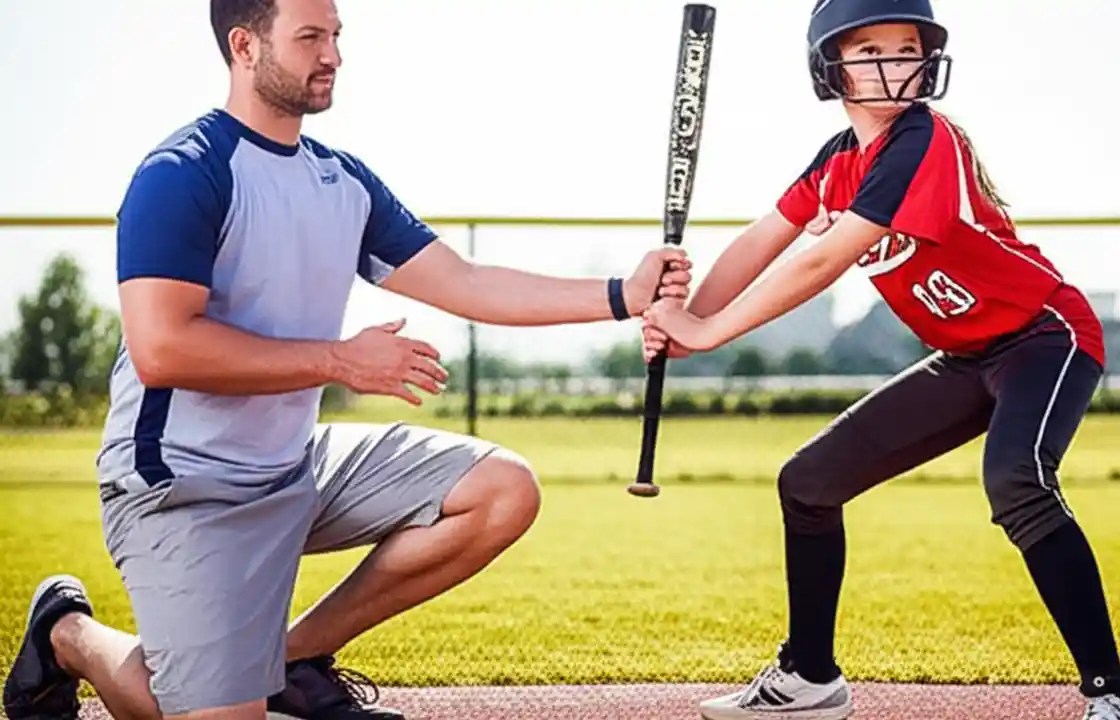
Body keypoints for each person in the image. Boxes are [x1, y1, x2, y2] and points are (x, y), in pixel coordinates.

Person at [0, 1, 692, 719]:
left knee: (503, 489)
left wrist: (624, 293)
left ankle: (291, 656)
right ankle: (69, 634)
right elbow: (162, 348)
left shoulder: (343, 180)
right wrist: (341, 361)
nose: (332, 54)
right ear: (244, 45)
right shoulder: (184, 172)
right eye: (310, 37)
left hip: (293, 464)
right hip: (185, 485)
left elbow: (467, 282)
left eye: (335, 36)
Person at [641, 2, 1120, 719]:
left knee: (1015, 480)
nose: (895, 64)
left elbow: (823, 259)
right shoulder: (834, 163)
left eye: (908, 48)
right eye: (870, 49)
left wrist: (708, 331)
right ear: (832, 68)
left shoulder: (923, 138)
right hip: (966, 355)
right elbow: (764, 241)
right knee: (808, 482)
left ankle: (1115, 696)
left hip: (1044, 337)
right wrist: (681, 317)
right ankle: (810, 678)